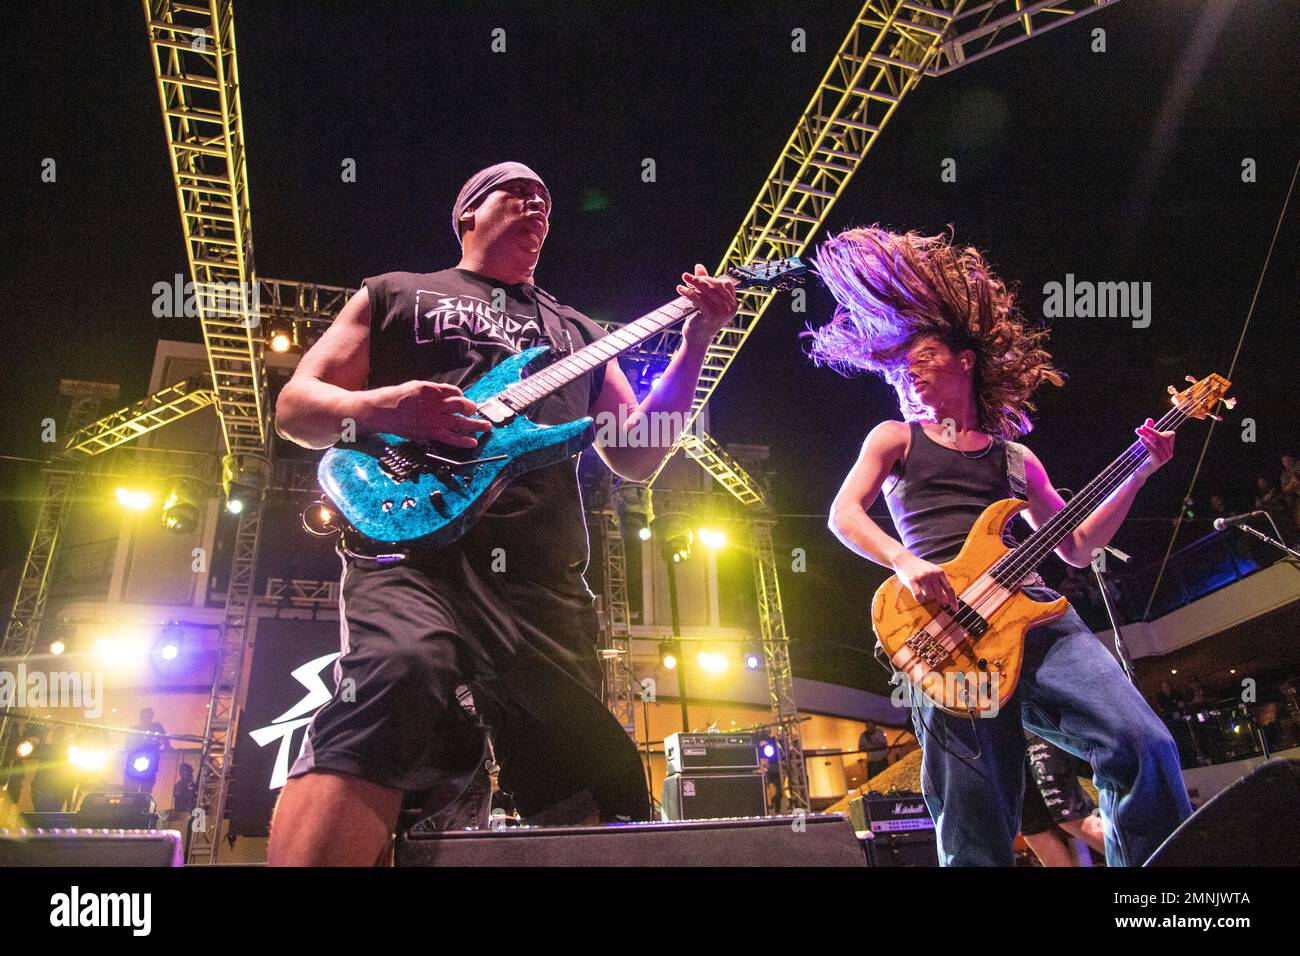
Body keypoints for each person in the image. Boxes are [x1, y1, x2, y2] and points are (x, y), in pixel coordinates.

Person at [269, 161, 739, 866]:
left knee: (583, 760)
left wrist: (697, 340)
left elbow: (636, 455)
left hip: (540, 575)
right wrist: (384, 407)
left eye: (547, 200)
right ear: (467, 214)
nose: (537, 205)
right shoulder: (398, 292)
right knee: (395, 675)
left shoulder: (577, 331)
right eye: (517, 193)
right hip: (411, 546)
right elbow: (296, 410)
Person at [812, 225, 1192, 866]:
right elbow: (843, 514)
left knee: (1142, 742)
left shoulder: (1018, 458)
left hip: (1038, 618)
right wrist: (904, 561)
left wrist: (1140, 473)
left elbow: (1075, 548)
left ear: (965, 359)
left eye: (926, 354)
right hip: (950, 632)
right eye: (903, 363)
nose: (911, 368)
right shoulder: (893, 437)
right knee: (976, 815)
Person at [1019, 734, 1105, 867]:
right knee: (1033, 830)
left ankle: (1143, 860)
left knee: (1073, 817)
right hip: (1004, 748)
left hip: (1035, 731)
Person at [123, 708, 169, 795]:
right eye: (144, 716)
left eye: (148, 716)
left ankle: (145, 806)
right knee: (130, 791)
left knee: (146, 790)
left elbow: (165, 740)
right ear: (140, 717)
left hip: (150, 763)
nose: (146, 718)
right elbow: (127, 745)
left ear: (151, 717)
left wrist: (168, 749)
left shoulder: (156, 727)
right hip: (133, 764)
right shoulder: (134, 729)